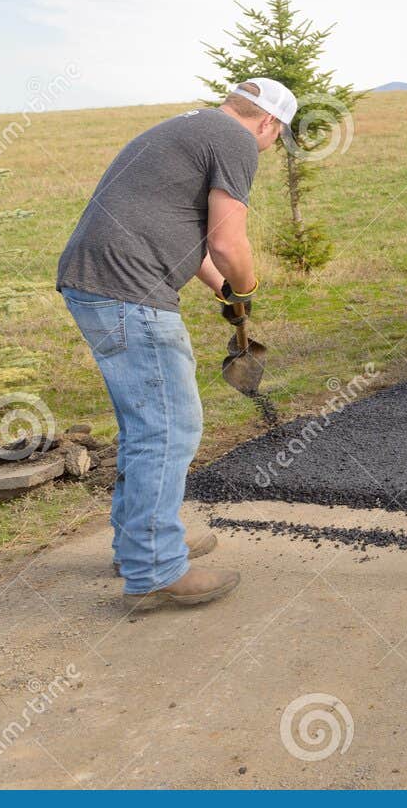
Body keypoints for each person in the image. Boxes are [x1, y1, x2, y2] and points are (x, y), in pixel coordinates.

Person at [56, 78, 294, 609]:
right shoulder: (236, 141)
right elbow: (227, 240)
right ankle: (154, 569)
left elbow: (189, 234)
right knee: (168, 428)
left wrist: (223, 289)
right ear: (268, 123)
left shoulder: (191, 126)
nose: (271, 145)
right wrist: (246, 286)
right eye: (277, 136)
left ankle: (139, 545)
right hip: (128, 290)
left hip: (95, 282)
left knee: (145, 426)